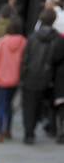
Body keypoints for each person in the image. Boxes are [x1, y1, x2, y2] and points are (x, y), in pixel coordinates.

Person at [20, 8, 60, 142]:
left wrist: (23, 73)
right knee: (39, 105)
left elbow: (25, 57)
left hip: (30, 75)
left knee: (28, 105)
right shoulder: (57, 39)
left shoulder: (33, 37)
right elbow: (57, 59)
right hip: (47, 77)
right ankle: (35, 127)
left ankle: (28, 132)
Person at [0, 15, 27, 141]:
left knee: (1, 105)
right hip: (16, 79)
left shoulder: (2, 42)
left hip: (1, 79)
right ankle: (8, 130)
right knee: (9, 105)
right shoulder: (23, 42)